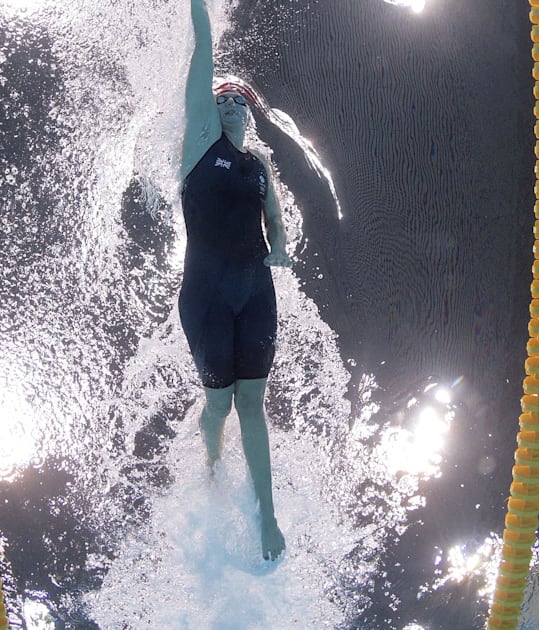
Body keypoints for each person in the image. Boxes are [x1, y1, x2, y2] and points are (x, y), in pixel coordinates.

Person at [180, 0, 291, 560]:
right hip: (206, 298)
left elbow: (275, 219)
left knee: (254, 402)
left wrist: (284, 249)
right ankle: (212, 461)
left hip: (255, 295)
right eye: (221, 101)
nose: (230, 107)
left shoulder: (258, 168)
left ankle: (267, 519)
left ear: (250, 116)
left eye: (238, 103)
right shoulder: (200, 144)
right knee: (219, 406)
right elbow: (204, 51)